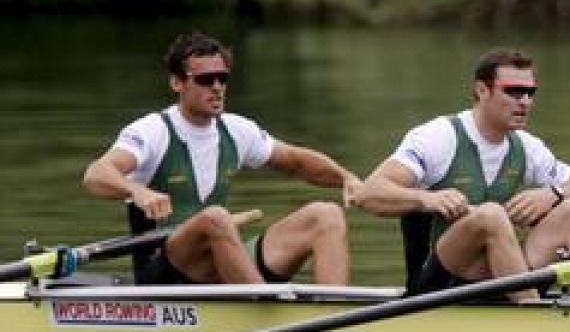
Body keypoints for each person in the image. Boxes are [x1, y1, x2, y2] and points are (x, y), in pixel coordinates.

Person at [82, 31, 361, 286]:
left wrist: (345, 178)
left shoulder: (237, 130)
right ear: (177, 83)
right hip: (164, 271)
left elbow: (296, 161)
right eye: (205, 80)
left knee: (326, 214)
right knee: (215, 217)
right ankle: (262, 307)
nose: (216, 87)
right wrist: (137, 191)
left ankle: (333, 309)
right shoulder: (152, 131)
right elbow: (96, 174)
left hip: (221, 265)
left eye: (222, 78)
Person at [351, 48, 570, 301]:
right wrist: (428, 200)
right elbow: (368, 194)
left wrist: (553, 194)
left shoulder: (527, 147)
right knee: (491, 215)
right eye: (513, 91)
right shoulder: (439, 137)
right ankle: (532, 316)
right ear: (482, 90)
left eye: (530, 93)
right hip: (437, 284)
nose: (525, 101)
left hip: (500, 277)